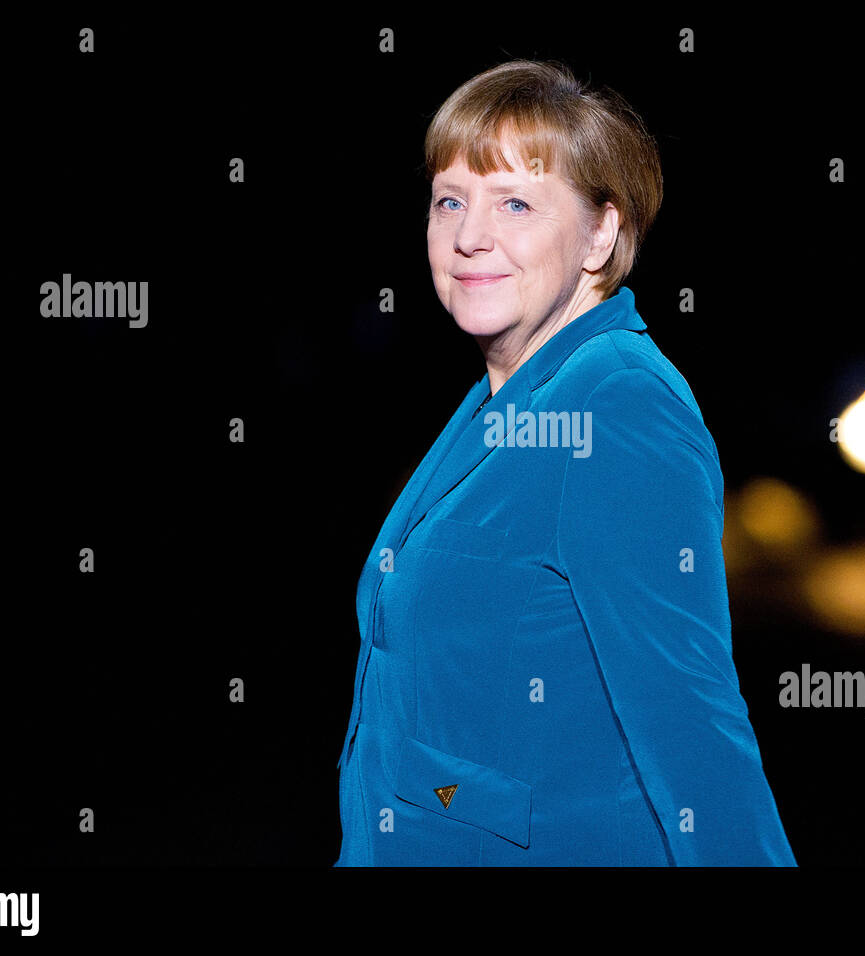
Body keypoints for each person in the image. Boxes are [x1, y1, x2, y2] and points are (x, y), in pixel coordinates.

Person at [335, 59, 796, 866]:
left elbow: (695, 731)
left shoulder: (618, 409)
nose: (469, 234)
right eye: (451, 200)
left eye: (515, 202)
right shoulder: (509, 393)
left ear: (600, 233)